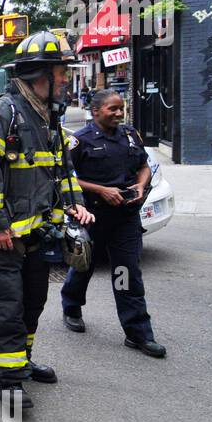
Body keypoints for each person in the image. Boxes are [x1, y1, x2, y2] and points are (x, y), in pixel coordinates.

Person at [0, 32, 94, 415]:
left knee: (33, 303)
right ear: (42, 73)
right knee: (6, 307)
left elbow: (62, 169)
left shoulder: (46, 115)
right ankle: (8, 382)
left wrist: (75, 204)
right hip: (1, 239)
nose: (67, 79)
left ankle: (21, 359)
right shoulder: (2, 113)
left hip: (36, 234)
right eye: (62, 71)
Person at [60, 90, 166, 357]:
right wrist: (101, 190)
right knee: (84, 266)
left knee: (126, 273)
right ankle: (71, 306)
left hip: (126, 218)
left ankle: (138, 333)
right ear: (96, 111)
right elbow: (66, 176)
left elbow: (144, 166)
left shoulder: (130, 136)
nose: (119, 113)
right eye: (113, 109)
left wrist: (141, 185)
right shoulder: (79, 140)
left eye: (122, 108)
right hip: (92, 216)